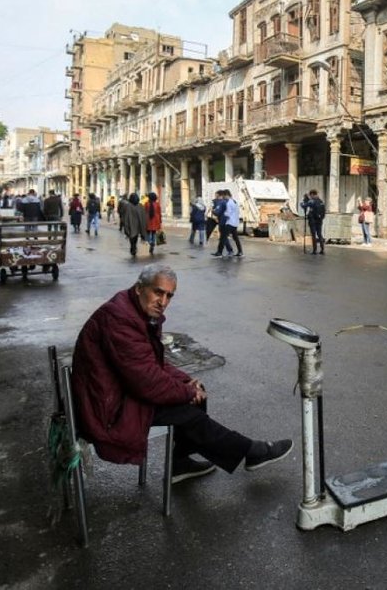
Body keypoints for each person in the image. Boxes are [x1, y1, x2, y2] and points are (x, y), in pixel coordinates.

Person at [71, 265, 293, 482]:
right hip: (108, 409)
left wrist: (185, 381)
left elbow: (151, 363)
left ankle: (180, 462)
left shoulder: (134, 310)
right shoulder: (121, 319)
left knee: (196, 393)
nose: (163, 302)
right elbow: (146, 381)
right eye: (158, 292)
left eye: (169, 296)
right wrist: (187, 392)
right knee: (187, 411)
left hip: (114, 393)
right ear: (140, 288)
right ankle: (250, 451)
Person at [216, 190, 243, 257]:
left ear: (227, 195)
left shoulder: (229, 203)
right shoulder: (235, 202)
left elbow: (228, 214)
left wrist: (224, 213)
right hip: (235, 223)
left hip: (230, 223)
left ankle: (219, 252)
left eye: (224, 196)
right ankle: (240, 251)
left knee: (223, 237)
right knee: (236, 238)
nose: (224, 198)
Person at [301, 189, 325, 255]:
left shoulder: (312, 201)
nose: (310, 197)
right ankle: (322, 249)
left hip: (313, 221)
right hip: (320, 220)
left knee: (313, 235)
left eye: (310, 195)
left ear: (312, 194)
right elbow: (324, 212)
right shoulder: (321, 201)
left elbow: (303, 206)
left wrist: (303, 201)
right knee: (319, 234)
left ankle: (314, 250)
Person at [121, 192, 146, 258]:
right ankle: (134, 247)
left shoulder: (127, 205)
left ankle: (133, 247)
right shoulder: (140, 206)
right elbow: (143, 216)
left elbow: (124, 215)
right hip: (138, 225)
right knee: (135, 237)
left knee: (132, 237)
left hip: (130, 225)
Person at [210, 191, 233, 257]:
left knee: (223, 237)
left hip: (223, 222)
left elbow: (217, 212)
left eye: (216, 195)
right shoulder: (226, 202)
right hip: (226, 221)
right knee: (223, 237)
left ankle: (228, 251)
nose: (215, 196)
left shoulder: (221, 202)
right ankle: (220, 252)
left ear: (219, 195)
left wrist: (212, 210)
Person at [145, 192, 163, 256]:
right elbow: (159, 213)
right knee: (154, 233)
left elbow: (145, 212)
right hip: (156, 221)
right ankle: (153, 242)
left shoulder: (147, 204)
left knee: (148, 232)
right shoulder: (157, 204)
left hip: (149, 221)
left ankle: (150, 242)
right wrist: (160, 221)